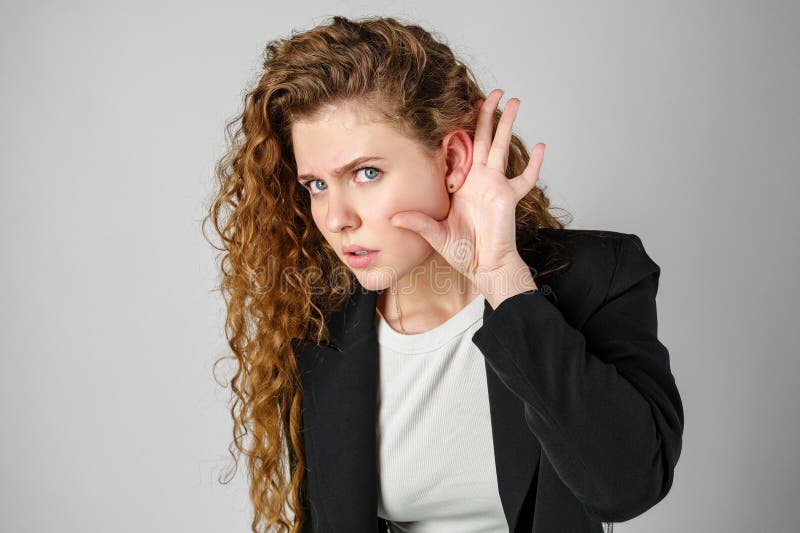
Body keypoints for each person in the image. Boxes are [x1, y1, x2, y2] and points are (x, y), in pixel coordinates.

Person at [204, 14, 684, 533]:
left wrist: (502, 278)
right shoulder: (321, 322)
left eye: (366, 173)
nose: (336, 218)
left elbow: (628, 487)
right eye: (317, 185)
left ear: (452, 161)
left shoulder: (598, 278)